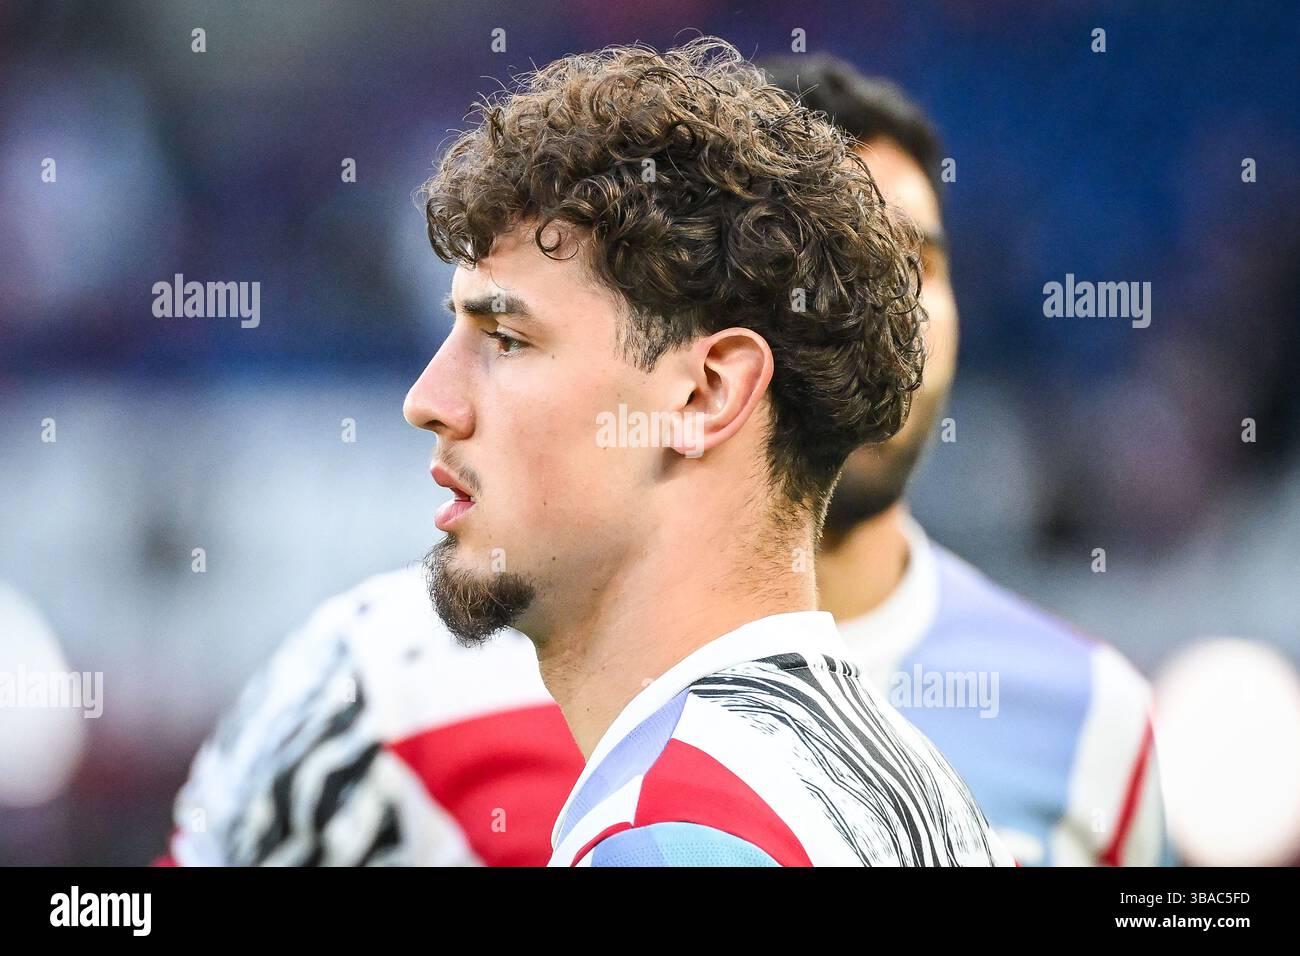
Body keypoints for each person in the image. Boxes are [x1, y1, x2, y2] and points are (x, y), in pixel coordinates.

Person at [167, 49, 1161, 869]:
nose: (427, 400)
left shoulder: (678, 824)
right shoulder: (913, 783)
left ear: (705, 392)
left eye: (506, 339)